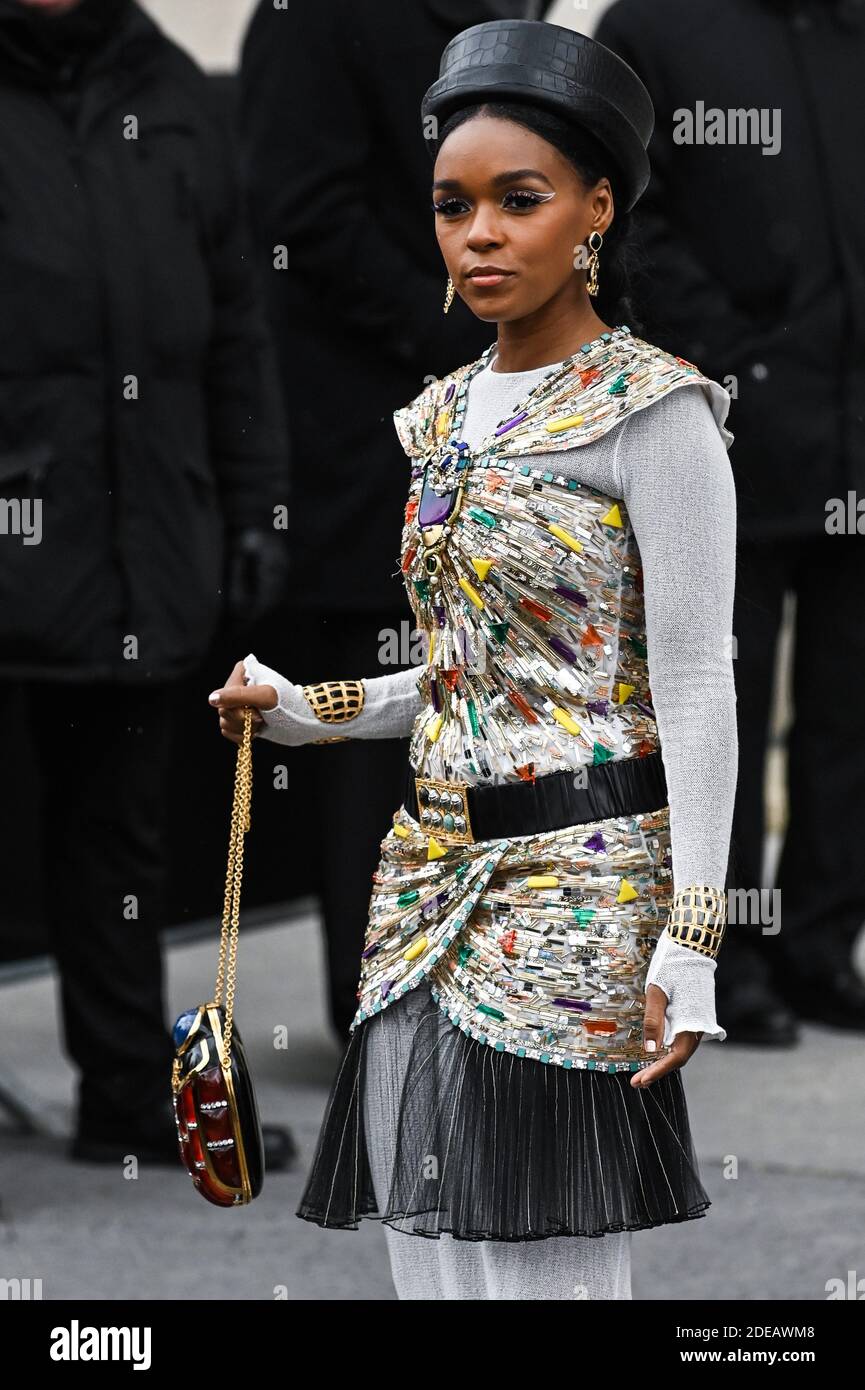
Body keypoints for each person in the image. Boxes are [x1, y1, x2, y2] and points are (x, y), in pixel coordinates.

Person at [209, 20, 737, 1300]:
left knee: (546, 1269)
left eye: (520, 200)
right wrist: (300, 712)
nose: (480, 235)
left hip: (578, 890)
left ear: (595, 210)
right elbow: (462, 679)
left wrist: (695, 938)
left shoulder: (656, 411)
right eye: (453, 207)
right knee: (429, 1257)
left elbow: (698, 684)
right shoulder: (439, 414)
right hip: (422, 889)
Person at [0, 0, 293, 1167]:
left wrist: (256, 495)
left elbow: (235, 321)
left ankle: (125, 1095)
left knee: (118, 833)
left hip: (141, 533)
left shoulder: (168, 87)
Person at [594, 0, 865, 1044]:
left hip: (853, 433)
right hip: (723, 433)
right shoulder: (657, 25)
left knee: (849, 707)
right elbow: (623, 217)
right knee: (719, 711)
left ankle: (817, 945)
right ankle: (724, 955)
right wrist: (722, 357)